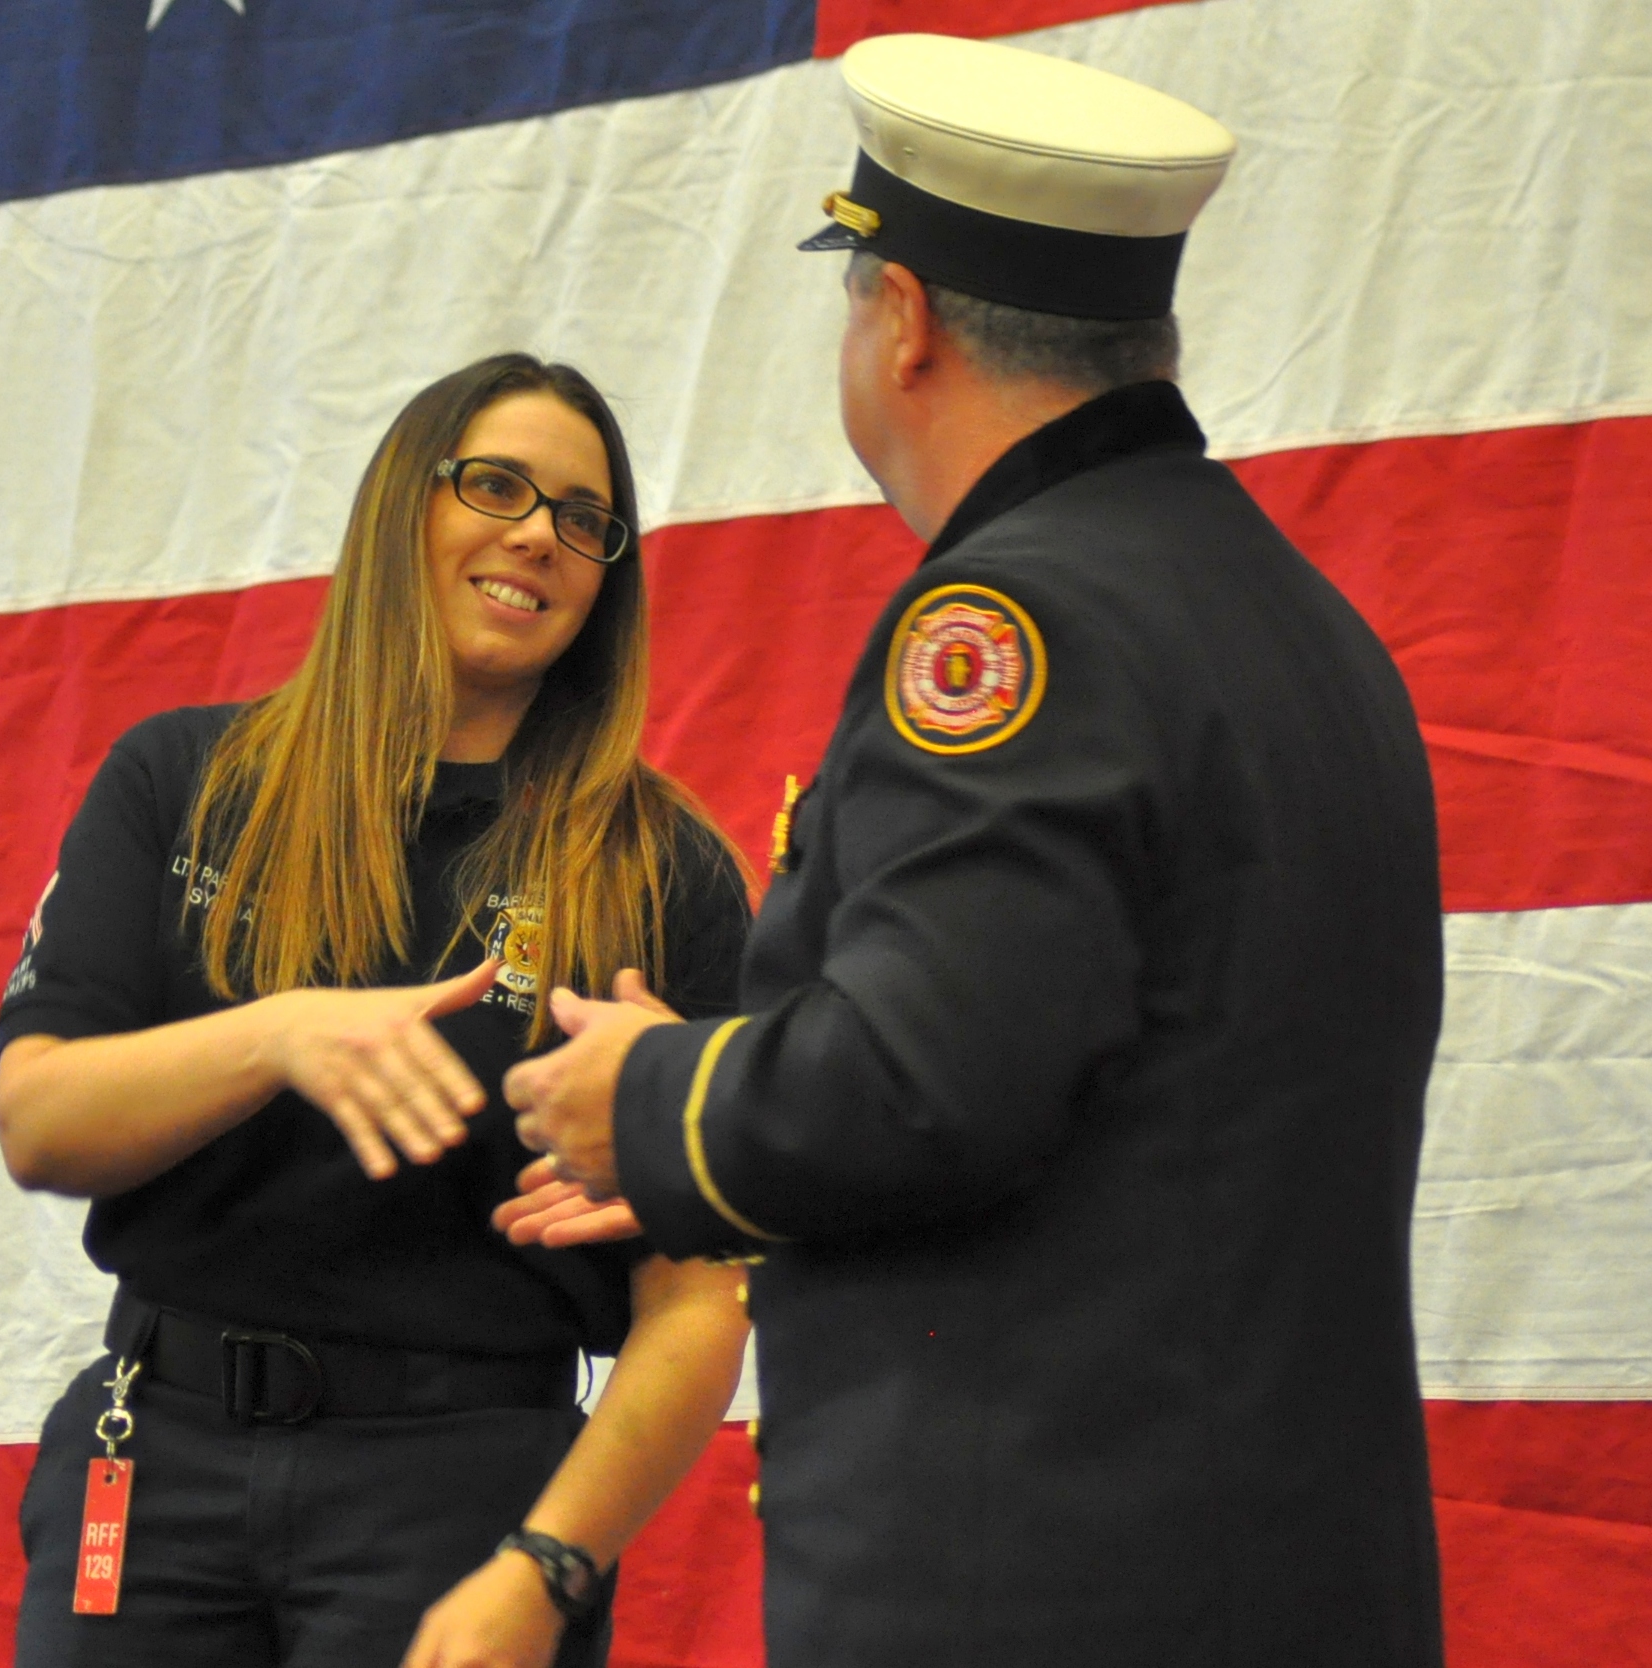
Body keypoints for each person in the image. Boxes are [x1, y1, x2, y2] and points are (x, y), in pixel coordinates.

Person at [500, 34, 1447, 1668]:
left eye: (854, 290)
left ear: (907, 318)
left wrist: (640, 1095)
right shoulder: (1296, 619)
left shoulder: (1016, 620)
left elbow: (930, 1082)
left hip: (1044, 1589)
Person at [0, 354, 752, 1668]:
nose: (539, 536)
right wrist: (281, 1033)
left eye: (585, 519)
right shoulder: (179, 780)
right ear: (406, 504)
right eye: (498, 486)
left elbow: (698, 1304)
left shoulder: (661, 872)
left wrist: (550, 1565)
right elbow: (40, 1122)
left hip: (468, 1496)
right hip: (151, 1463)